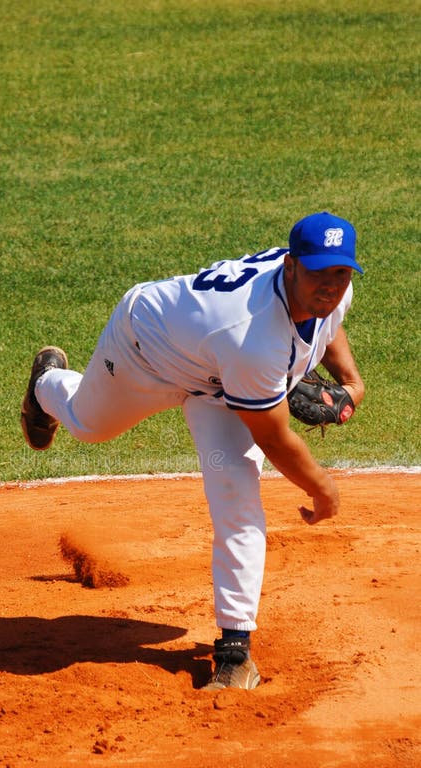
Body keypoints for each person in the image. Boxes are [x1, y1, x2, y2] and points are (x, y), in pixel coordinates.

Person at [20, 211, 365, 690]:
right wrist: (324, 490)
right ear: (290, 266)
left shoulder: (332, 290)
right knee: (87, 424)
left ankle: (234, 651)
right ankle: (45, 386)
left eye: (341, 273)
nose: (330, 286)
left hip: (218, 381)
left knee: (236, 493)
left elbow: (329, 322)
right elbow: (274, 437)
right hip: (145, 351)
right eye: (317, 273)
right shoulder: (251, 338)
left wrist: (352, 382)